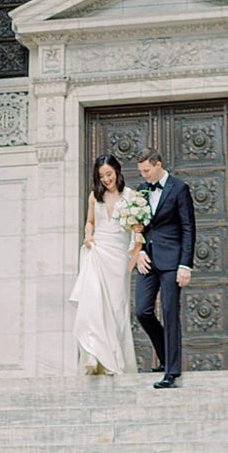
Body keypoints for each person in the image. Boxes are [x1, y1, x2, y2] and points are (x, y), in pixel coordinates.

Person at [69, 154, 141, 375]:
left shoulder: (131, 197)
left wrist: (133, 259)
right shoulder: (94, 197)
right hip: (98, 252)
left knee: (116, 309)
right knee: (92, 303)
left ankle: (113, 361)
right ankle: (93, 355)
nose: (106, 179)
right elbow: (90, 222)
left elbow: (137, 231)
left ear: (117, 172)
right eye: (101, 176)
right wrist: (87, 236)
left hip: (119, 258)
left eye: (109, 174)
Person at [134, 146, 196, 389]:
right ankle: (164, 354)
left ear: (158, 164)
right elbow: (137, 226)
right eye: (141, 172)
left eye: (147, 171)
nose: (144, 176)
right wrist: (138, 251)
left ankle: (171, 371)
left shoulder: (179, 188)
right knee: (142, 311)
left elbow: (188, 227)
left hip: (172, 262)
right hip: (147, 260)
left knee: (170, 313)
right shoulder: (141, 190)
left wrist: (185, 265)